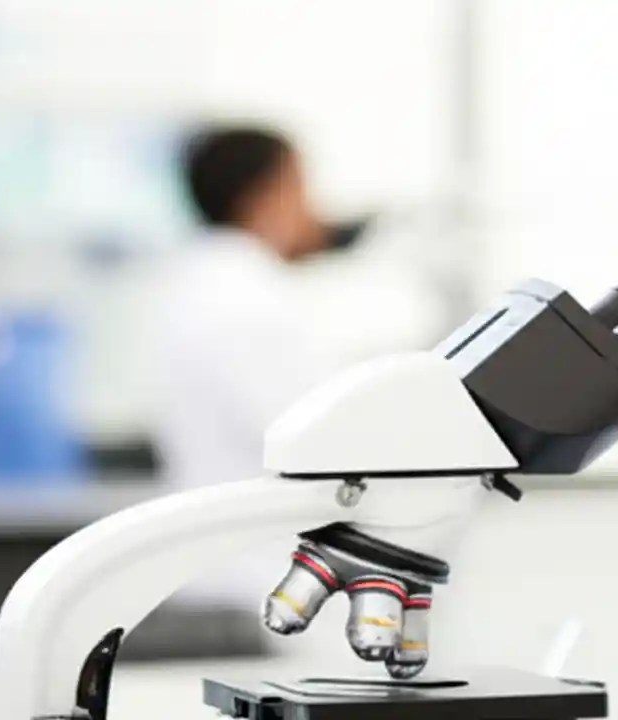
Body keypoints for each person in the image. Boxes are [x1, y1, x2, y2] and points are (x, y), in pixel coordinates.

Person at [149, 125, 446, 609]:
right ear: (268, 196)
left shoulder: (206, 283)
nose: (315, 209)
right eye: (303, 187)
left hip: (225, 563)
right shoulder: (246, 300)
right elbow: (316, 439)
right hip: (255, 579)